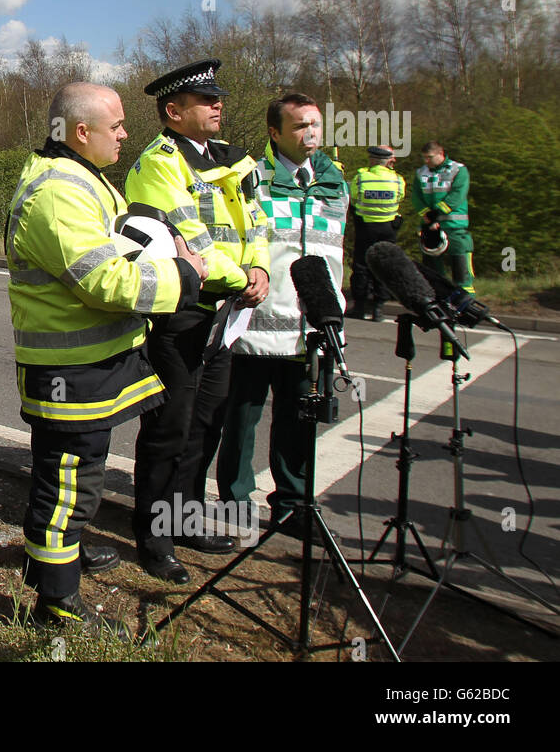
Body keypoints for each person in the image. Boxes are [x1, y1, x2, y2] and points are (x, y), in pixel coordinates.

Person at [7, 81, 205, 636]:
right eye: (116, 126)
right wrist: (184, 277)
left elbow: (118, 249)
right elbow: (104, 279)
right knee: (68, 488)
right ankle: (57, 604)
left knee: (72, 479)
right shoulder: (57, 191)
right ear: (81, 132)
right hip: (70, 374)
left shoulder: (81, 177)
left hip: (90, 367)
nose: (125, 135)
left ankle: (54, 560)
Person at [122, 59, 270, 584]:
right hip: (182, 313)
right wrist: (241, 277)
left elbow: (256, 222)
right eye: (206, 100)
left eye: (218, 98)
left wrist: (260, 266)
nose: (218, 105)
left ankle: (183, 518)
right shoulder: (160, 163)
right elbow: (193, 241)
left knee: (207, 422)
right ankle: (154, 534)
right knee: (170, 426)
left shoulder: (233, 160)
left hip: (226, 312)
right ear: (173, 112)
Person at [211, 93, 349, 537]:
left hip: (312, 329)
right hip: (257, 326)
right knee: (242, 422)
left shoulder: (336, 181)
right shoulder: (251, 178)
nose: (311, 134)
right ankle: (235, 504)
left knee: (299, 422)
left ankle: (293, 506)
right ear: (275, 132)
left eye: (316, 124)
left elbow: (337, 252)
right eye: (299, 126)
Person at [347, 145, 404, 321]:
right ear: (388, 161)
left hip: (366, 228)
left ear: (372, 160)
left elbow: (354, 199)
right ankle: (379, 308)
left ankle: (360, 306)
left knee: (362, 266)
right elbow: (400, 197)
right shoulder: (397, 180)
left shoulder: (361, 178)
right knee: (384, 266)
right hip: (388, 229)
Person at [413, 141, 474, 294]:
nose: (426, 161)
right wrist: (426, 213)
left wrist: (438, 212)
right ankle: (439, 300)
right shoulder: (421, 172)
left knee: (461, 268)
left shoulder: (458, 170)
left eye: (430, 157)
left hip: (454, 226)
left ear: (441, 154)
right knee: (432, 270)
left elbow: (457, 194)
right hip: (430, 226)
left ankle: (466, 302)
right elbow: (416, 196)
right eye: (424, 158)